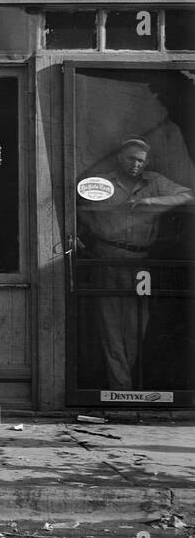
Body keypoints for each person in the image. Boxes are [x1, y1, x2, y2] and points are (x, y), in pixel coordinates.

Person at [77, 138, 194, 390]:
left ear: (147, 162)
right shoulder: (102, 182)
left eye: (140, 160)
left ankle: (125, 385)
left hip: (140, 263)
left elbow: (189, 196)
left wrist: (151, 202)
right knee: (110, 327)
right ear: (120, 158)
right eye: (131, 158)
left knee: (136, 325)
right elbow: (78, 210)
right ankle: (121, 388)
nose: (135, 164)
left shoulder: (155, 182)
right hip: (106, 259)